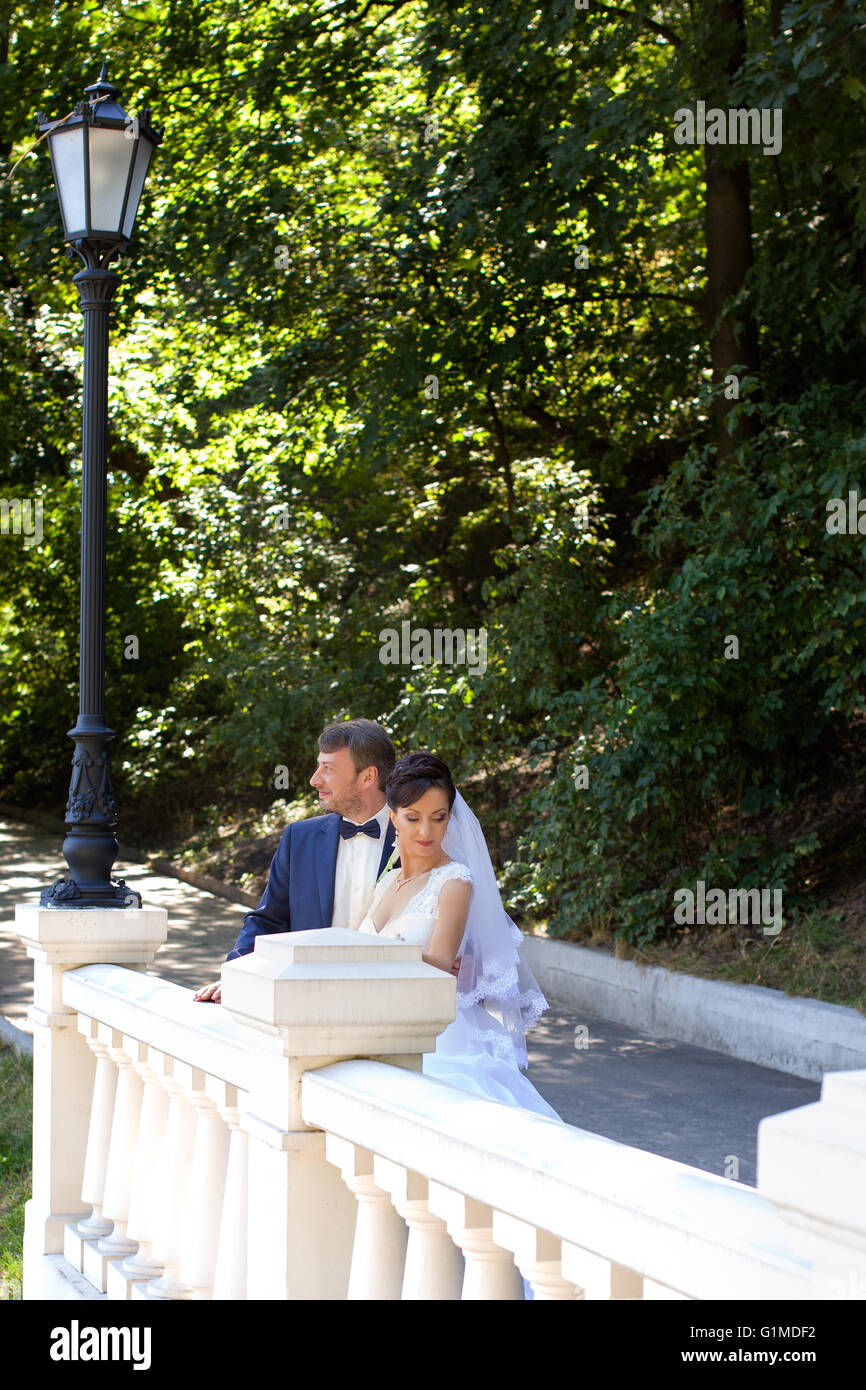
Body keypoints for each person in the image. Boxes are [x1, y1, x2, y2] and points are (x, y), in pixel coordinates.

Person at [355, 751, 562, 1123]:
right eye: (413, 818)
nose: (426, 832)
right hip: (376, 1021)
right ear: (393, 817)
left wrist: (382, 955)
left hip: (434, 1032)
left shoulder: (455, 880)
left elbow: (438, 964)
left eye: (439, 818)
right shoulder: (387, 881)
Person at [194, 718, 401, 1004]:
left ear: (368, 777)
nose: (314, 779)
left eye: (328, 769)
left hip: (390, 1001)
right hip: (306, 1001)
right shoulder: (299, 838)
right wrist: (237, 973)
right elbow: (267, 919)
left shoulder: (416, 839)